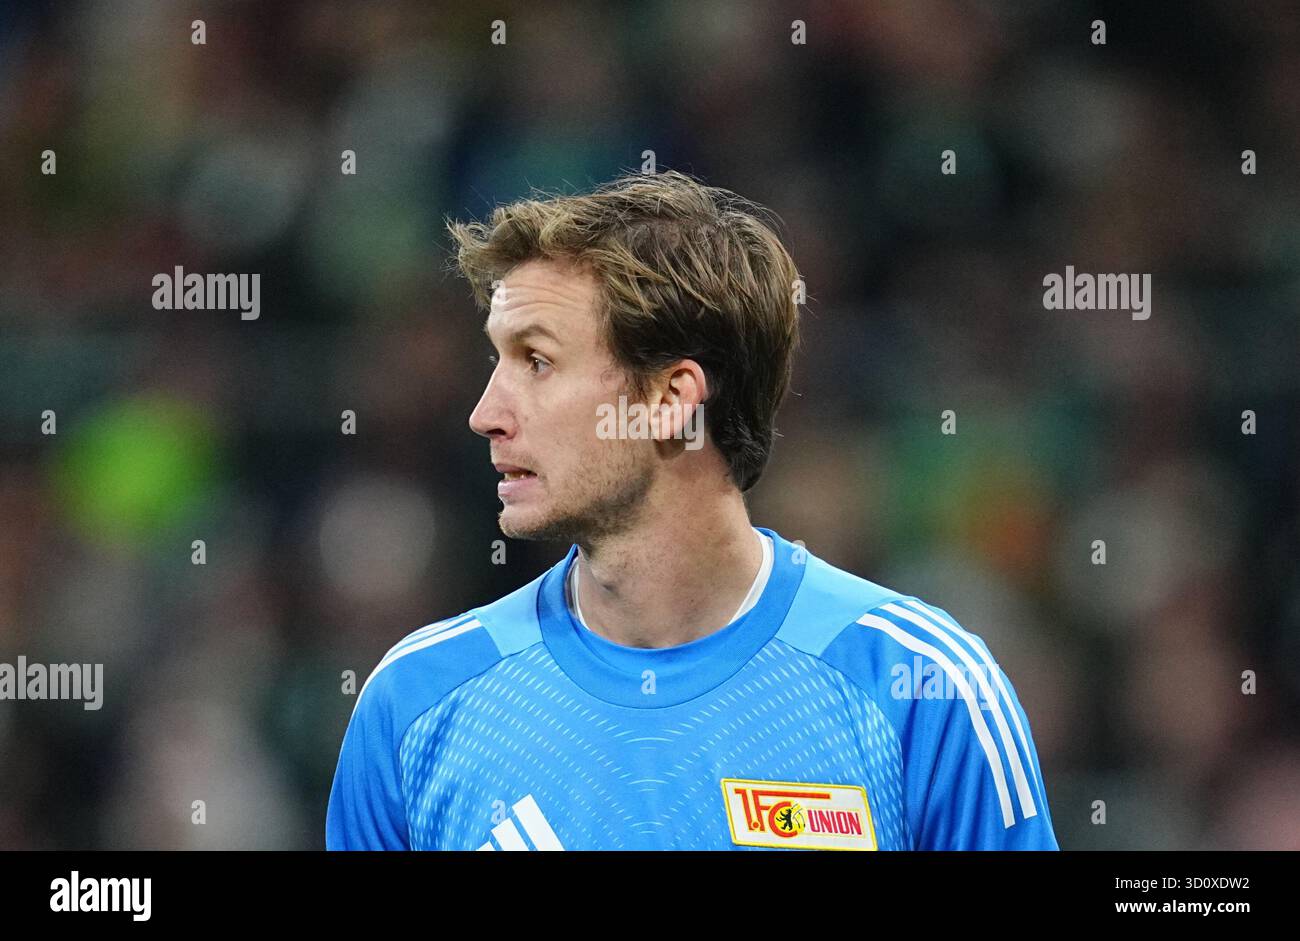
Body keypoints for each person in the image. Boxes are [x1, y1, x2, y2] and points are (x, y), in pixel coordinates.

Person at [326, 170, 1059, 850]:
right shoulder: (413, 705)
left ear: (671, 400)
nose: (485, 413)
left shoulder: (922, 688)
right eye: (497, 360)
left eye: (537, 361)